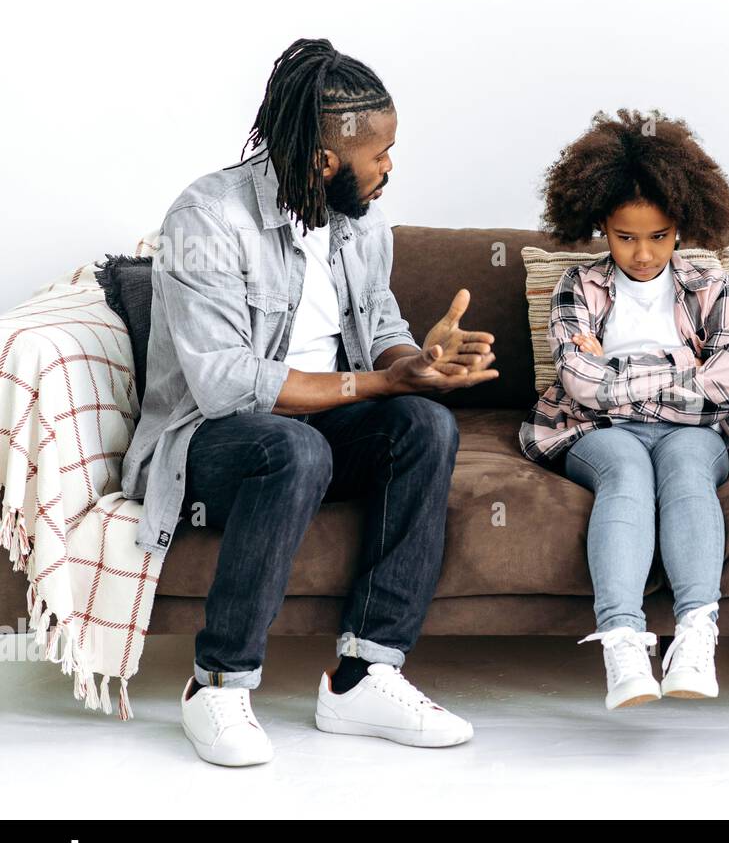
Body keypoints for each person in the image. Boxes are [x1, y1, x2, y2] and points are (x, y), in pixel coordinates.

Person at [121, 39, 499, 766]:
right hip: (213, 441)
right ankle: (218, 683)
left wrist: (416, 364)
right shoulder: (207, 217)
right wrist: (378, 383)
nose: (389, 168)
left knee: (424, 424)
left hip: (322, 429)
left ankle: (364, 675)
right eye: (380, 154)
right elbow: (227, 384)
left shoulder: (360, 219)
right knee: (292, 447)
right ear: (326, 161)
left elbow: (378, 324)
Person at [519, 109, 729, 710]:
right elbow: (581, 385)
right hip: (598, 430)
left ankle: (696, 637)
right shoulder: (576, 286)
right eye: (626, 237)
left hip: (695, 432)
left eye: (660, 236)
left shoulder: (714, 286)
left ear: (682, 225)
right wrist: (680, 366)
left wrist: (618, 368)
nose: (644, 253)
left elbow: (726, 382)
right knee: (626, 474)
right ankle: (623, 644)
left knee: (686, 472)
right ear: (601, 225)